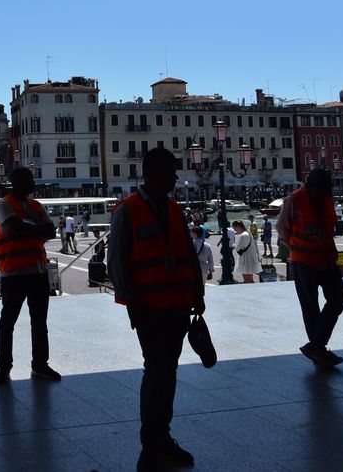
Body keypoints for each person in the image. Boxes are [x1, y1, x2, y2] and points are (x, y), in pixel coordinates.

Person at [107, 148, 204, 471]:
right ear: (152, 175)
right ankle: (150, 443)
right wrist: (131, 303)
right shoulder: (127, 211)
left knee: (169, 372)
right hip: (148, 308)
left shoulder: (175, 210)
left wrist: (198, 292)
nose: (176, 177)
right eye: (170, 172)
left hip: (178, 307)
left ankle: (161, 437)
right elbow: (117, 262)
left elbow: (188, 254)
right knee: (156, 372)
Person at [0, 166, 60, 385]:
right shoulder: (4, 204)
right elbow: (16, 228)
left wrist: (28, 227)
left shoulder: (36, 205)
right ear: (17, 182)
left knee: (39, 322)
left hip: (37, 271)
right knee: (8, 322)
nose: (32, 182)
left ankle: (40, 364)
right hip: (13, 273)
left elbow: (50, 231)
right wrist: (36, 228)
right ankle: (4, 367)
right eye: (28, 179)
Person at [277, 168, 343, 368]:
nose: (324, 194)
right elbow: (282, 229)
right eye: (321, 190)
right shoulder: (294, 200)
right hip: (303, 262)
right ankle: (319, 351)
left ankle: (316, 346)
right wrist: (296, 250)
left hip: (326, 259)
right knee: (310, 307)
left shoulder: (325, 198)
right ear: (310, 187)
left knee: (338, 299)